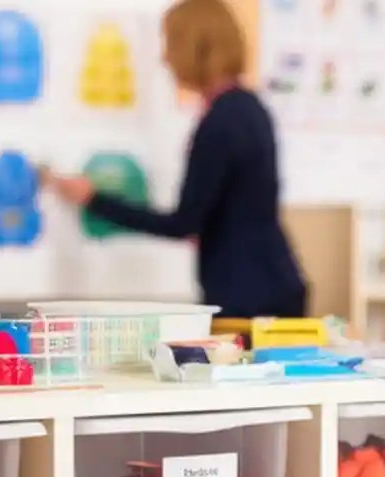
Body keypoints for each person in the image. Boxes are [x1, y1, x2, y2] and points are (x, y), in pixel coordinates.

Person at [45, 0, 307, 318]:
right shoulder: (249, 108)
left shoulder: (221, 122)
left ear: (194, 46)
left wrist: (94, 199)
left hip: (248, 298)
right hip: (270, 284)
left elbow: (184, 223)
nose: (164, 57)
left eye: (170, 43)